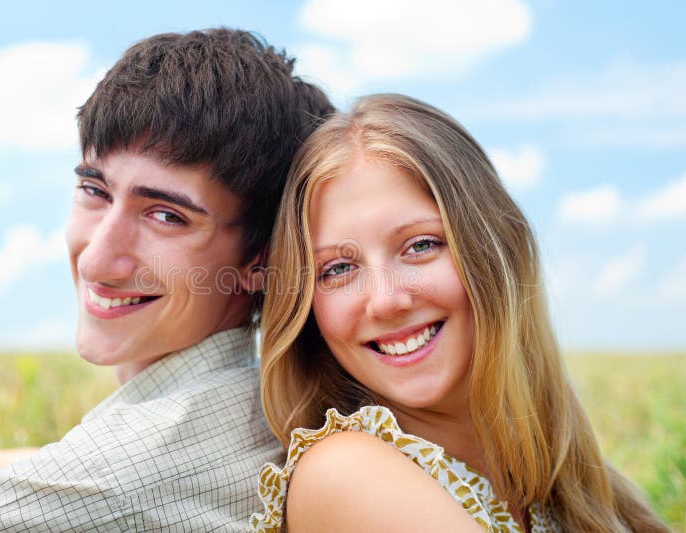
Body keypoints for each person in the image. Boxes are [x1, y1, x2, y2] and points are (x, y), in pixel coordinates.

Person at [0, 28, 333, 531]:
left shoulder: (126, 471)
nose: (96, 261)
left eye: (166, 216)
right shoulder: (250, 397)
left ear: (262, 258)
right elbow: (38, 462)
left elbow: (103, 478)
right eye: (94, 190)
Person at [249, 94, 668, 532]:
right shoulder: (344, 473)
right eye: (337, 268)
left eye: (421, 245)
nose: (387, 300)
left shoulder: (550, 473)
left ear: (494, 246)